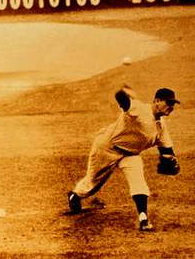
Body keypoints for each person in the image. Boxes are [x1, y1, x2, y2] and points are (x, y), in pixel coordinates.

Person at [67, 86, 180, 232]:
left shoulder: (161, 126)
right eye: (169, 103)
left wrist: (172, 160)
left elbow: (166, 149)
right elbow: (122, 100)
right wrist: (123, 91)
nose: (171, 107)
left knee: (139, 182)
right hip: (107, 148)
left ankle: (143, 218)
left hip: (130, 155)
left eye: (173, 104)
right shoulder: (140, 109)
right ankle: (75, 196)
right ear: (157, 101)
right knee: (92, 183)